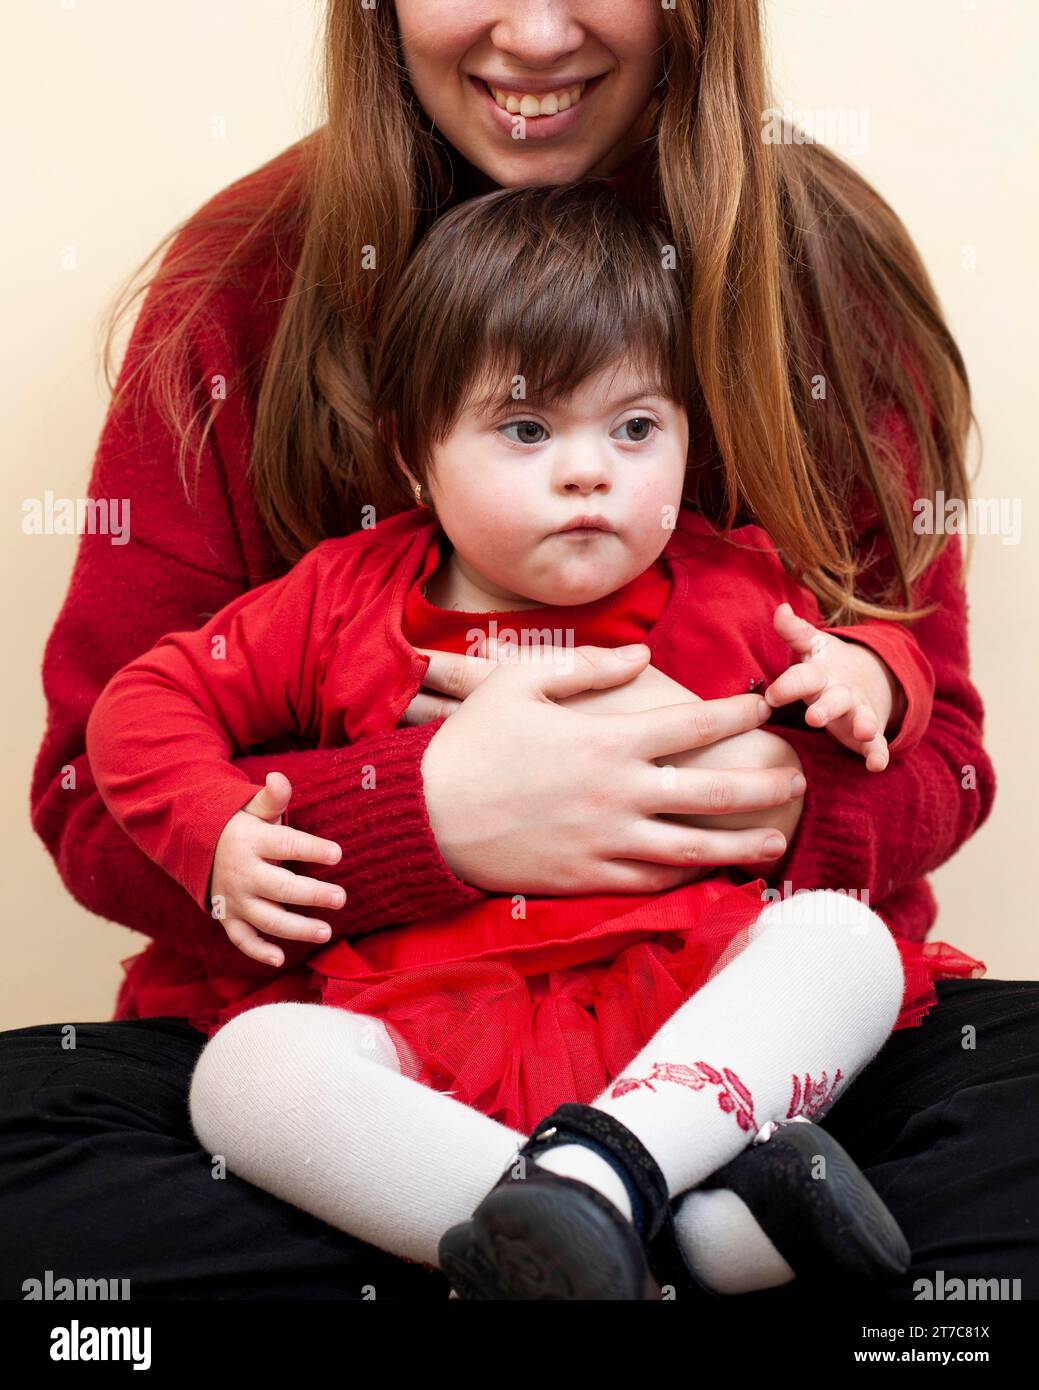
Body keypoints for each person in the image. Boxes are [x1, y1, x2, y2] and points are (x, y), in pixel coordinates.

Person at [12, 1, 1033, 1301]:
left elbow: (930, 741)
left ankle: (595, 1207)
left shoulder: (798, 357)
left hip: (708, 1031)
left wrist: (783, 773)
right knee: (185, 1123)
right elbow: (96, 775)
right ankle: (647, 1233)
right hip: (405, 1031)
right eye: (524, 430)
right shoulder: (327, 552)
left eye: (636, 429)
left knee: (859, 968)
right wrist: (417, 815)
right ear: (408, 450)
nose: (537, 29)